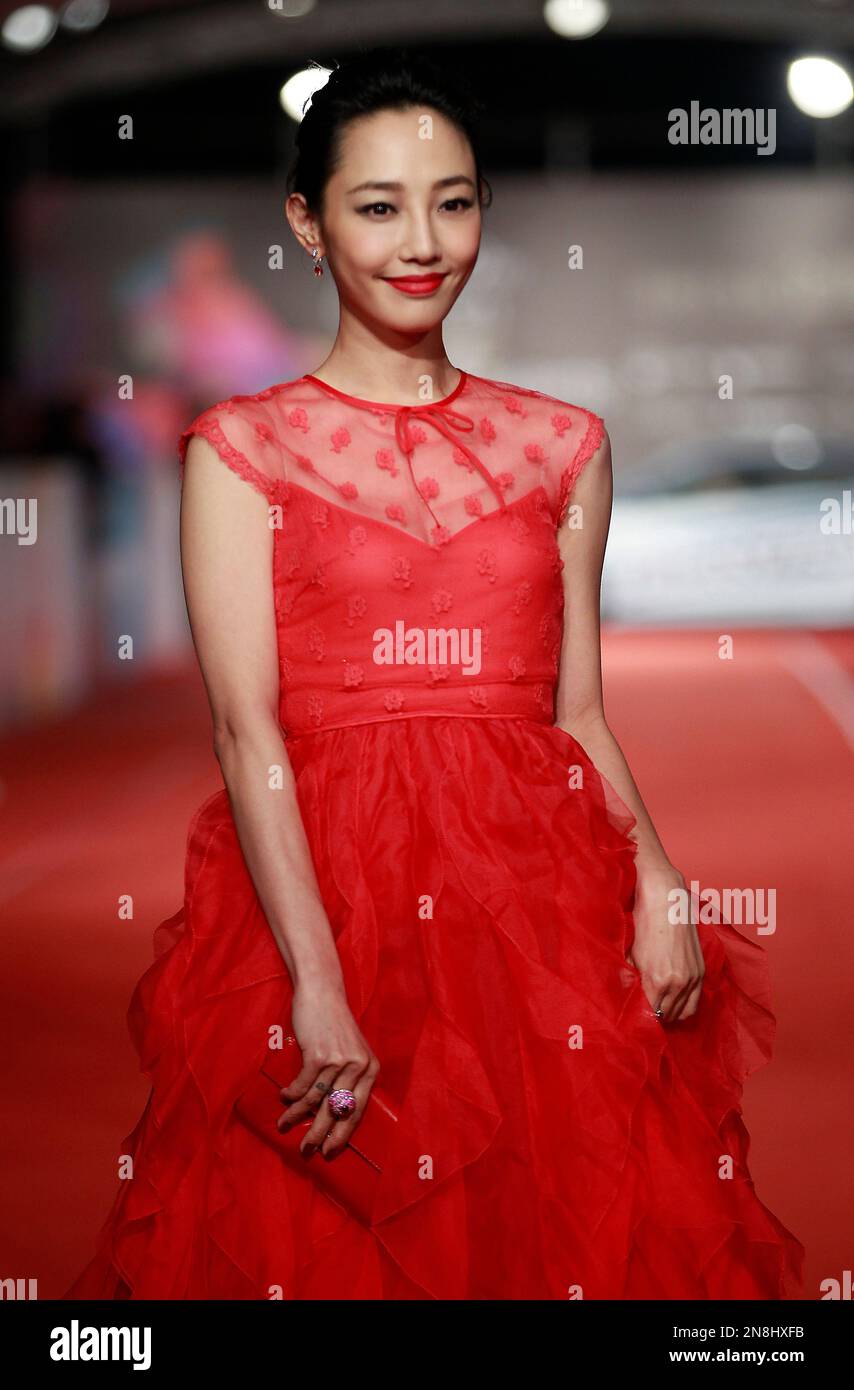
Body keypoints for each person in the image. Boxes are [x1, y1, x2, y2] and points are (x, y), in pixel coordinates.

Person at [63, 48, 804, 1301]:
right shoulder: (241, 449)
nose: (421, 240)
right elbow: (248, 737)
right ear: (305, 222)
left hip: (537, 912)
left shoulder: (563, 443)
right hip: (326, 898)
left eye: (452, 201)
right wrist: (314, 979)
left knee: (557, 1231)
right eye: (377, 204)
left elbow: (574, 711)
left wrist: (661, 877)